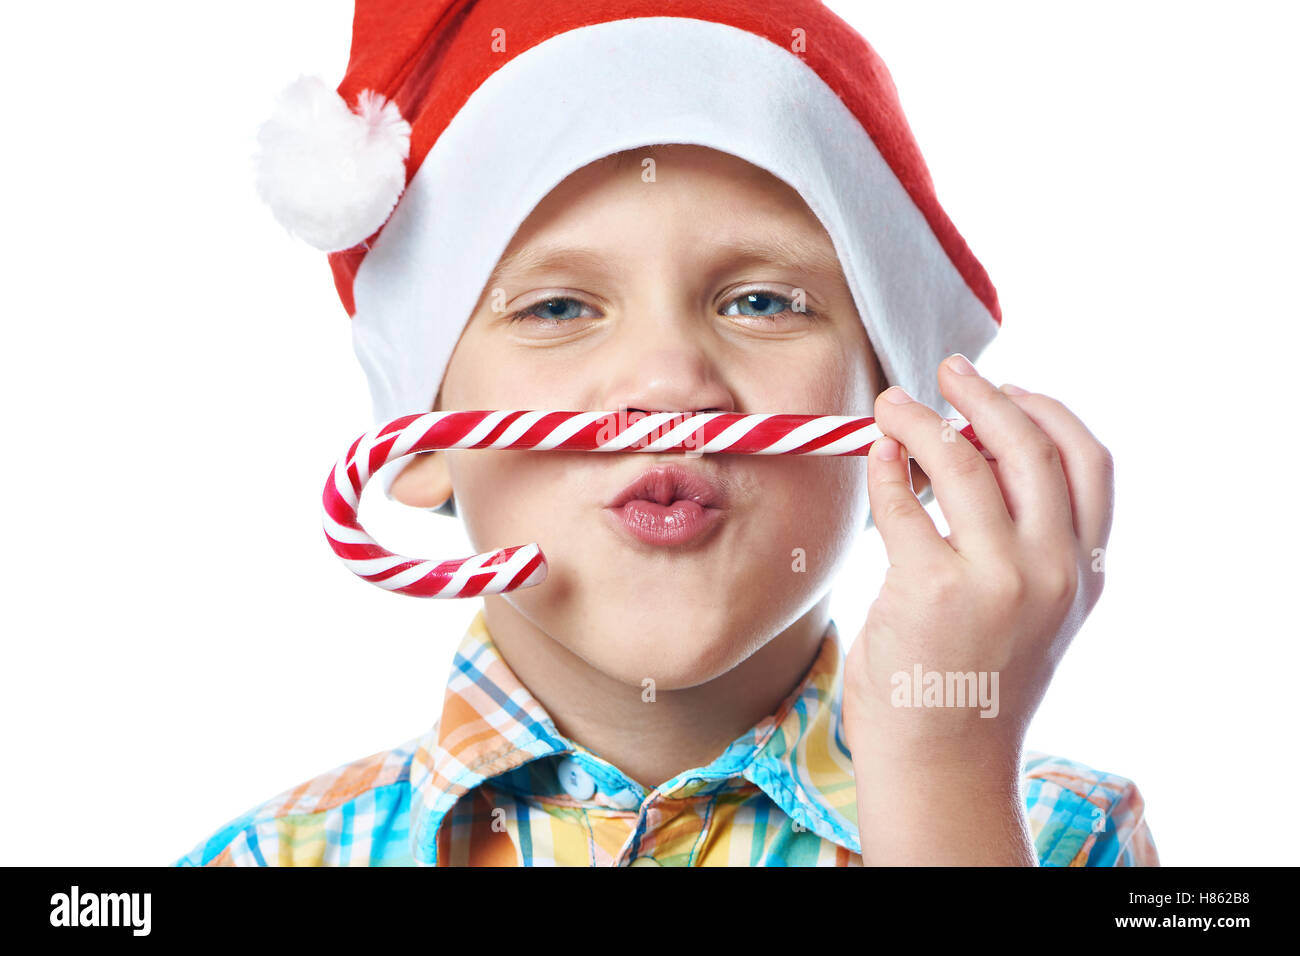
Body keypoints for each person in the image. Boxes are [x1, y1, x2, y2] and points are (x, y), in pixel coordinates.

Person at [174, 0, 1158, 866]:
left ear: (892, 423)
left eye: (763, 300)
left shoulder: (1064, 833)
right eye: (557, 308)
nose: (666, 382)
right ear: (419, 438)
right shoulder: (268, 857)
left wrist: (944, 773)